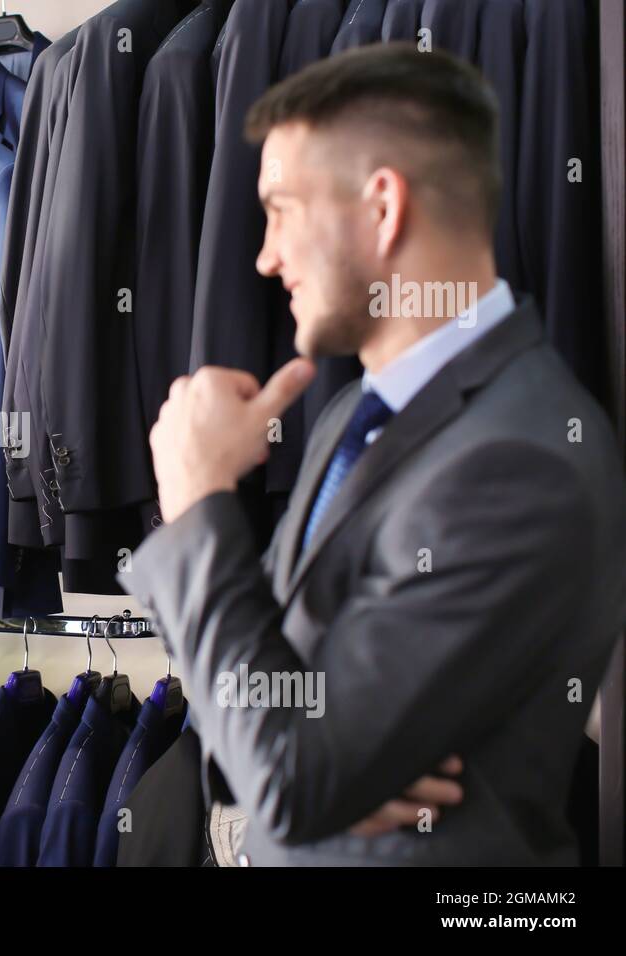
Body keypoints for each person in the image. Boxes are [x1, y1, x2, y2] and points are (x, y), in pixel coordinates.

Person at [122, 43, 626, 865]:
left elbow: (288, 773)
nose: (263, 256)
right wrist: (320, 754)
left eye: (281, 209)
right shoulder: (353, 415)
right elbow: (272, 715)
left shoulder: (518, 460)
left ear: (382, 208)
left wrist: (197, 498)